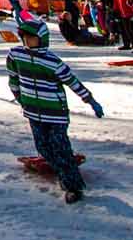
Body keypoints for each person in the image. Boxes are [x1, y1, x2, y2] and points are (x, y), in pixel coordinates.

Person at [8, 17, 102, 203]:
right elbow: (13, 79)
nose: (27, 41)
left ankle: (72, 186)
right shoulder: (16, 55)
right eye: (25, 38)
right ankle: (63, 170)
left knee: (60, 148)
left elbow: (73, 82)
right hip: (33, 112)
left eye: (32, 38)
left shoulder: (53, 62)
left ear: (42, 39)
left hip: (55, 113)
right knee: (43, 147)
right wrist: (21, 98)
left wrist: (90, 100)